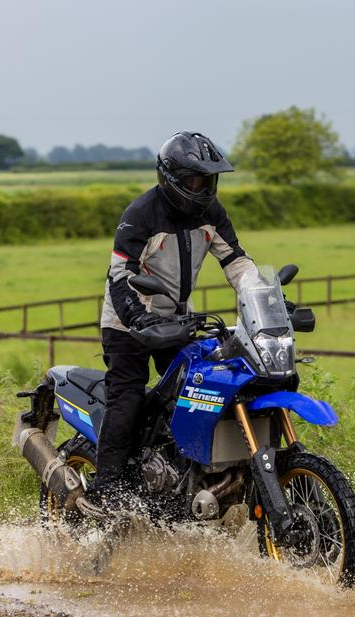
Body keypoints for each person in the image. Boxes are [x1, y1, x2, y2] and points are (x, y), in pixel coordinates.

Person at [87, 131, 256, 509]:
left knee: (197, 392)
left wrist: (261, 296)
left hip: (177, 320)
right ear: (172, 178)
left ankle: (180, 481)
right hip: (128, 323)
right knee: (127, 397)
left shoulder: (212, 213)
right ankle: (106, 492)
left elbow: (236, 261)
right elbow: (120, 275)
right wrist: (136, 318)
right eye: (195, 179)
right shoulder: (141, 214)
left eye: (208, 180)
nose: (203, 187)